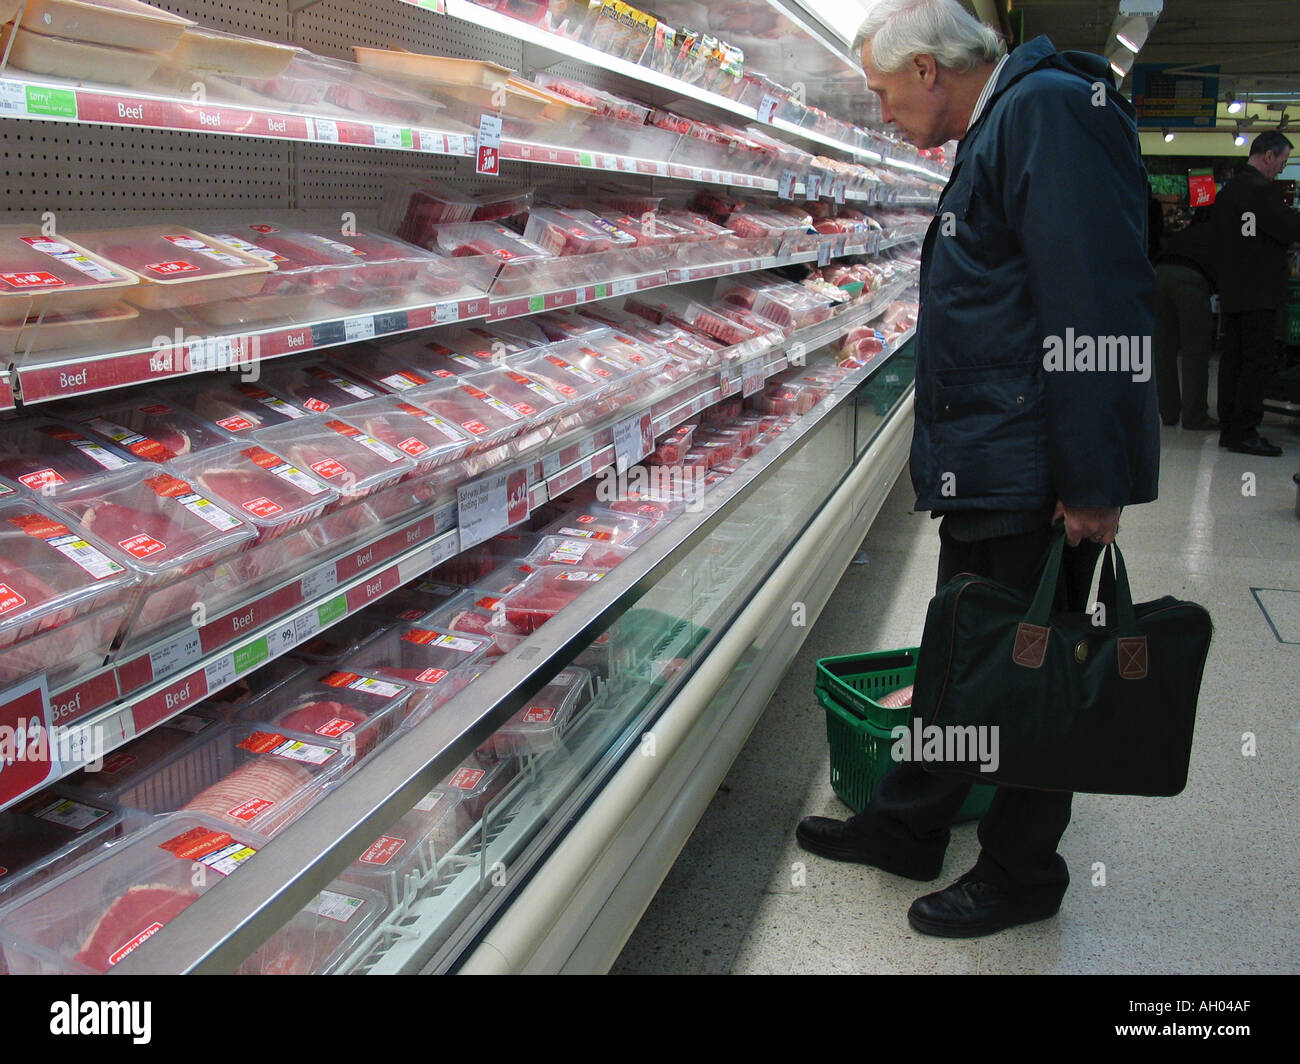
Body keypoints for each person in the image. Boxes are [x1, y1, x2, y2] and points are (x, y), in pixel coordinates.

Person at [796, 0, 1159, 939]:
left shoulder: (1046, 111)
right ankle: (909, 825)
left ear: (928, 71)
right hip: (995, 452)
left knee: (1028, 673)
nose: (881, 115)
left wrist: (1093, 477)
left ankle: (1021, 873)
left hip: (1034, 461)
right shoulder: (1011, 118)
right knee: (967, 648)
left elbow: (1096, 294)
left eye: (882, 94)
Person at [1212, 131, 1300, 456]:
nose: (1281, 168)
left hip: (1235, 289)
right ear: (1268, 156)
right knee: (1256, 361)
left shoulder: (1230, 190)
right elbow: (1290, 229)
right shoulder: (1258, 190)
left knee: (1233, 359)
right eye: (1282, 161)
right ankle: (1244, 430)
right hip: (1259, 291)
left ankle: (1230, 425)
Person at [1154, 205, 1219, 429]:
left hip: (1159, 273)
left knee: (1163, 350)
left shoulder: (1185, 233)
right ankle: (1194, 415)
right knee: (1195, 350)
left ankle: (1168, 412)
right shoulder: (1218, 234)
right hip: (1190, 280)